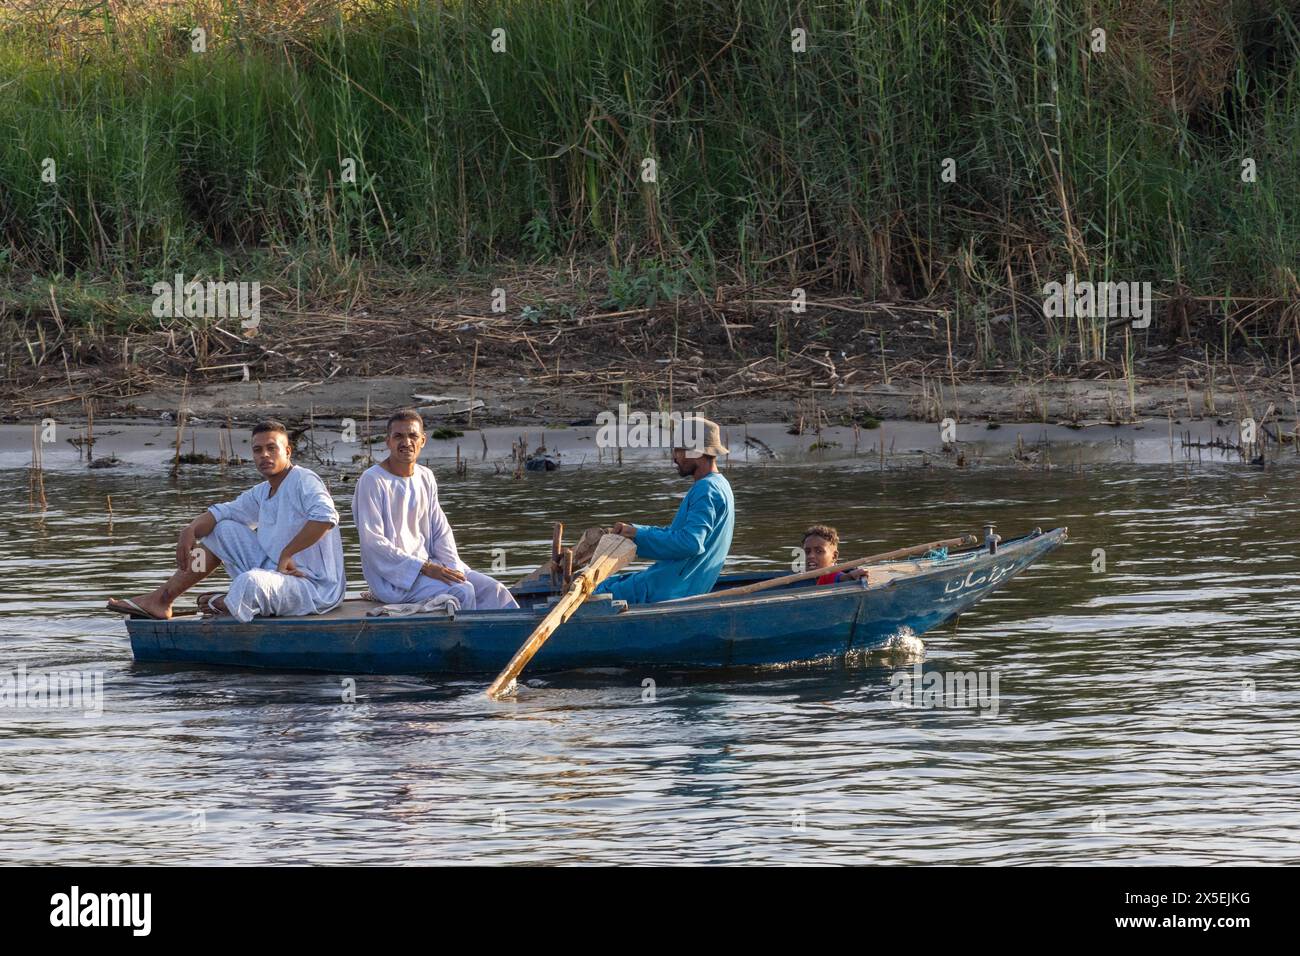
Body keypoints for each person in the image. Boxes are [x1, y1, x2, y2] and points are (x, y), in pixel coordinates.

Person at [106, 419, 346, 622]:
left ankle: (225, 602)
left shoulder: (304, 480)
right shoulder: (263, 491)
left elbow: (325, 518)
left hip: (312, 587)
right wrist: (189, 530)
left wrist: (287, 553)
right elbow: (222, 513)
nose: (264, 455)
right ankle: (163, 598)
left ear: (287, 452)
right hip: (276, 573)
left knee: (249, 582)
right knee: (220, 531)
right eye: (257, 450)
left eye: (272, 448)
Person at [352, 409, 518, 611]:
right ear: (388, 442)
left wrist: (452, 568)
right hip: (394, 580)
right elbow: (373, 543)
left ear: (423, 440)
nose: (406, 443)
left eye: (413, 436)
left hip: (430, 566)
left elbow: (440, 531)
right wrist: (424, 568)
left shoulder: (426, 476)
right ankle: (463, 641)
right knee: (462, 590)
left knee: (495, 589)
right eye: (398, 436)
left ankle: (516, 637)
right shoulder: (372, 480)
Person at [596, 416, 734, 604]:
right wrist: (635, 532)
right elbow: (680, 535)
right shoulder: (720, 484)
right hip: (677, 582)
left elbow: (690, 543)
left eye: (679, 450)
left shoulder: (706, 489)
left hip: (670, 589)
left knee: (596, 592)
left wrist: (638, 536)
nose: (675, 457)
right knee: (606, 583)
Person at [801, 525, 868, 584]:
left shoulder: (835, 575)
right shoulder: (800, 577)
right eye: (807, 552)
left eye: (819, 551)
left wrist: (848, 577)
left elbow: (837, 577)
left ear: (834, 556)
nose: (810, 556)